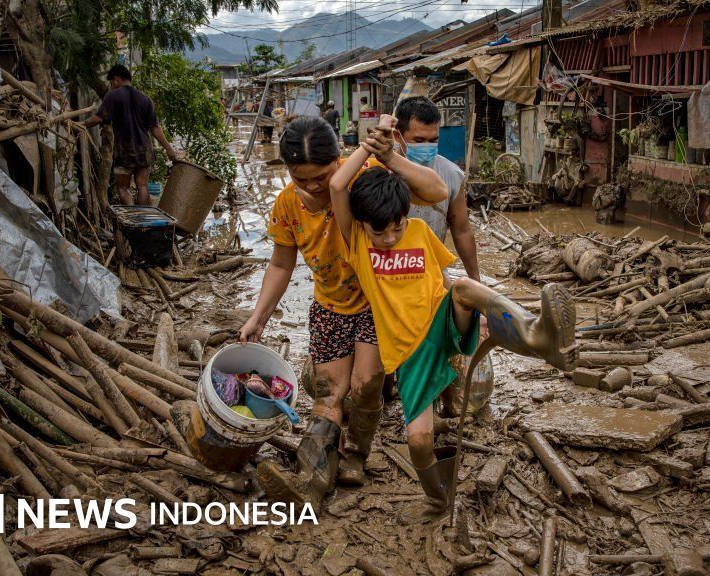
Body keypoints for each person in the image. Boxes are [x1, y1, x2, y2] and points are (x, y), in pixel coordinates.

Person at [328, 116, 578, 523]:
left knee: (462, 287)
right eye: (380, 233)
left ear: (406, 215)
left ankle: (538, 335)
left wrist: (479, 317)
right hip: (410, 353)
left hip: (442, 322)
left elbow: (441, 276)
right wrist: (369, 148)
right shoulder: (356, 239)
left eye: (396, 228)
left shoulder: (418, 232)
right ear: (362, 225)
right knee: (418, 439)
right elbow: (339, 185)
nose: (389, 238)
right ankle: (438, 500)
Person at [240, 116, 447, 511]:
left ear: (338, 158)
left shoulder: (361, 176)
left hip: (377, 303)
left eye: (321, 176)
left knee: (366, 384)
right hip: (331, 306)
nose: (313, 186)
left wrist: (390, 156)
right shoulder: (287, 205)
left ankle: (356, 454)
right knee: (329, 393)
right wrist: (259, 317)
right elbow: (281, 264)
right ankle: (310, 481)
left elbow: (437, 191)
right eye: (301, 179)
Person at [394, 96, 486, 338]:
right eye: (419, 140)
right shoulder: (381, 171)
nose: (427, 147)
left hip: (430, 274)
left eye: (433, 140)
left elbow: (461, 229)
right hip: (387, 273)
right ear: (398, 136)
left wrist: (476, 281)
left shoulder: (451, 174)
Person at [84, 65, 177, 206]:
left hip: (124, 152)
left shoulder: (113, 96)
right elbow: (155, 128)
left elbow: (99, 118)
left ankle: (132, 218)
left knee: (123, 188)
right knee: (142, 186)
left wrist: (81, 123)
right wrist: (168, 148)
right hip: (144, 151)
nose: (111, 86)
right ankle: (143, 217)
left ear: (116, 79)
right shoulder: (146, 99)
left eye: (111, 83)